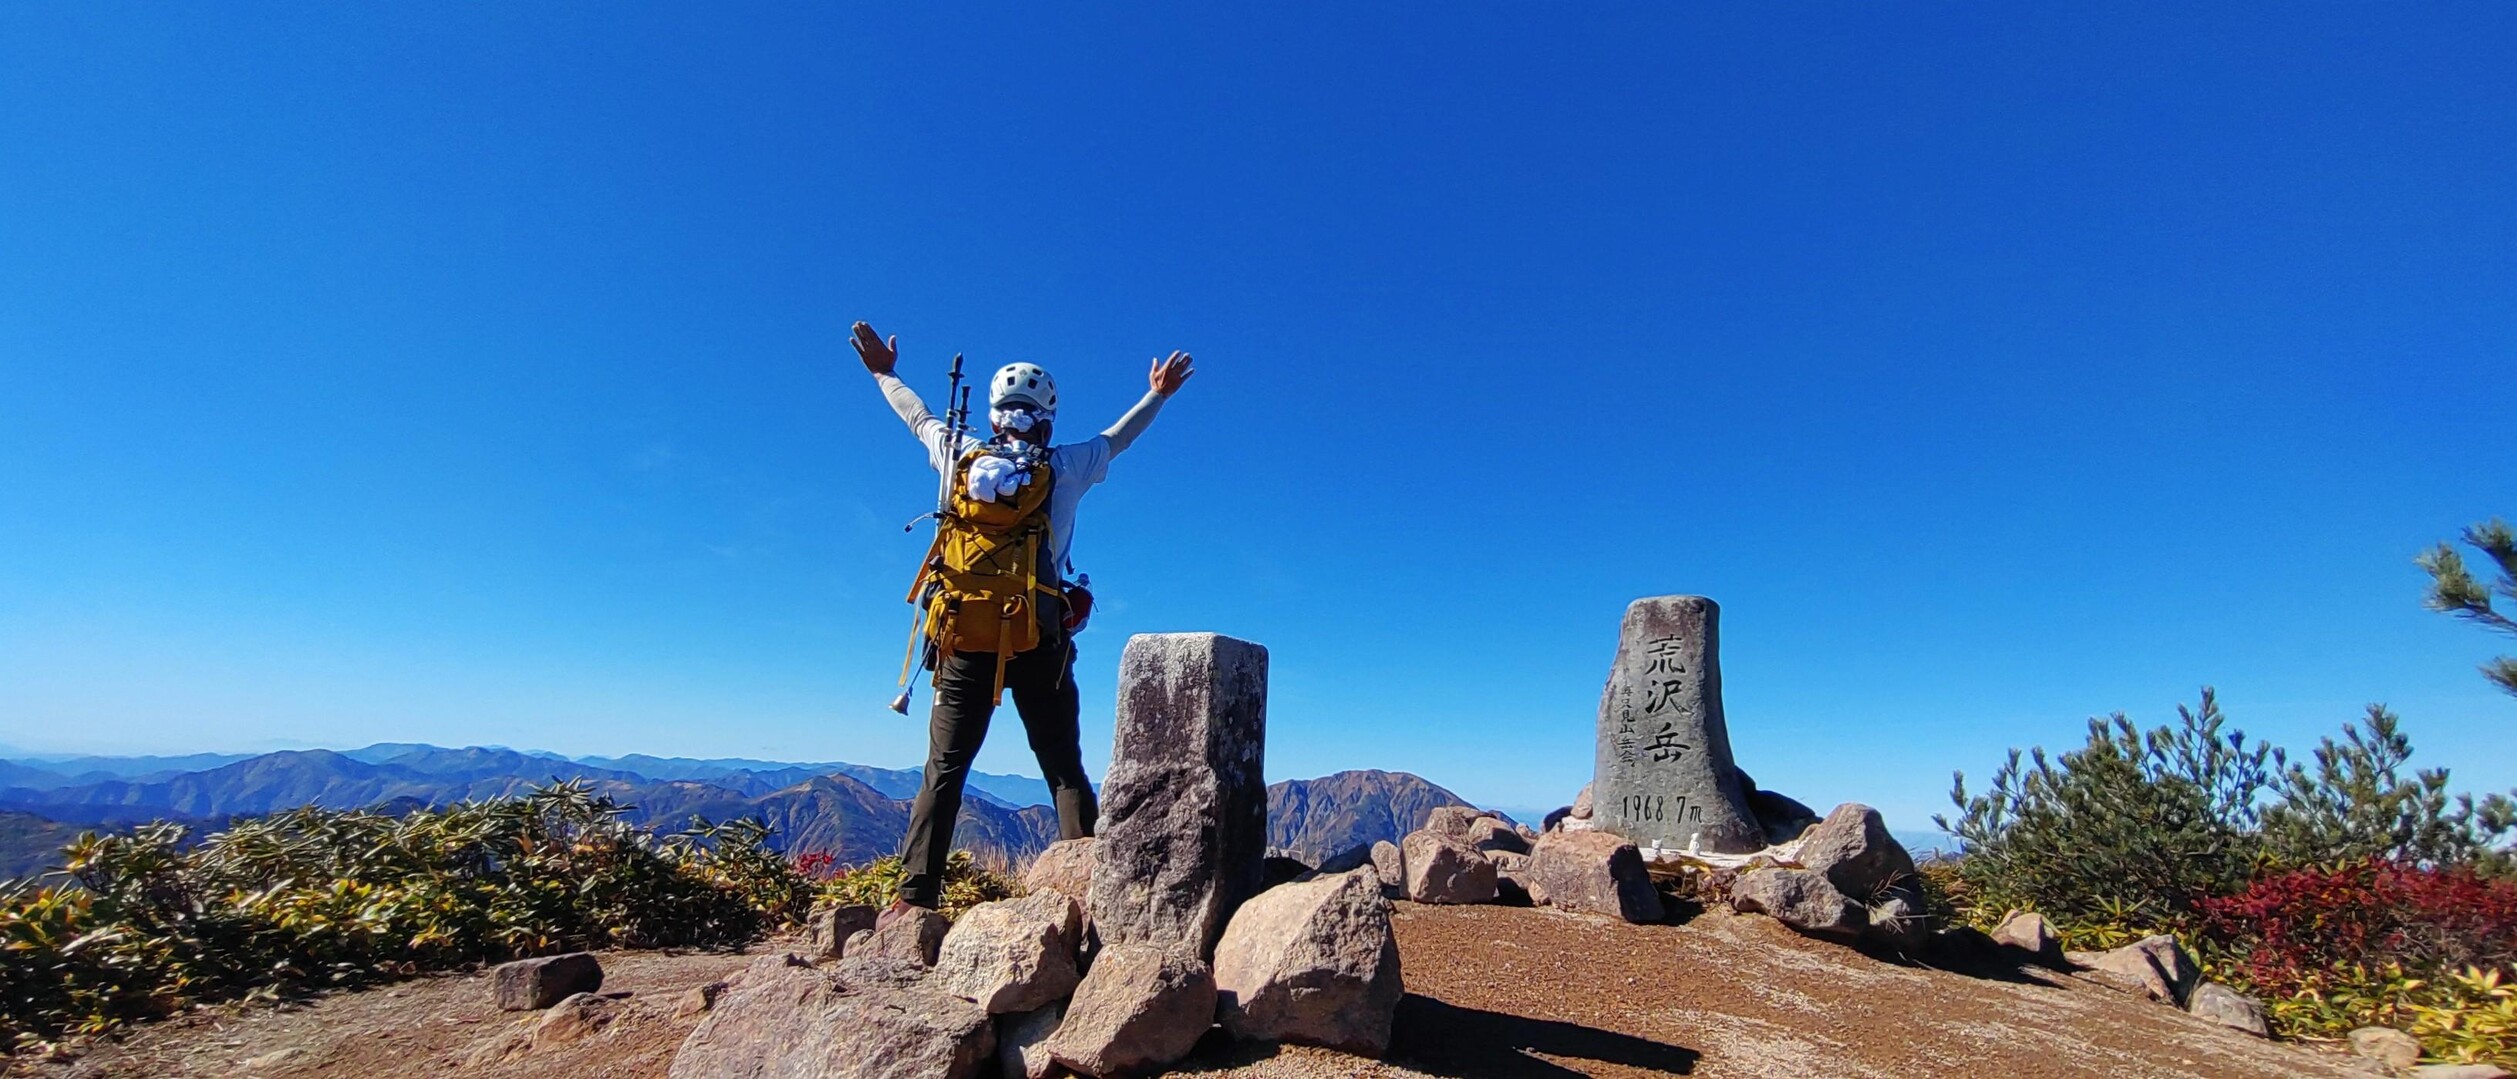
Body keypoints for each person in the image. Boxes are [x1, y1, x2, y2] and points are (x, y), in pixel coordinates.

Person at [850, 320, 1195, 918]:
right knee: (1061, 767)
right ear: (1048, 416)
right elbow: (1118, 438)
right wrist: (1157, 395)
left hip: (964, 638)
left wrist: (885, 373)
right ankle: (1092, 897)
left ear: (992, 413)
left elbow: (916, 415)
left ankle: (913, 903)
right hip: (1040, 638)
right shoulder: (1068, 465)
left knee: (944, 770)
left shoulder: (957, 454)